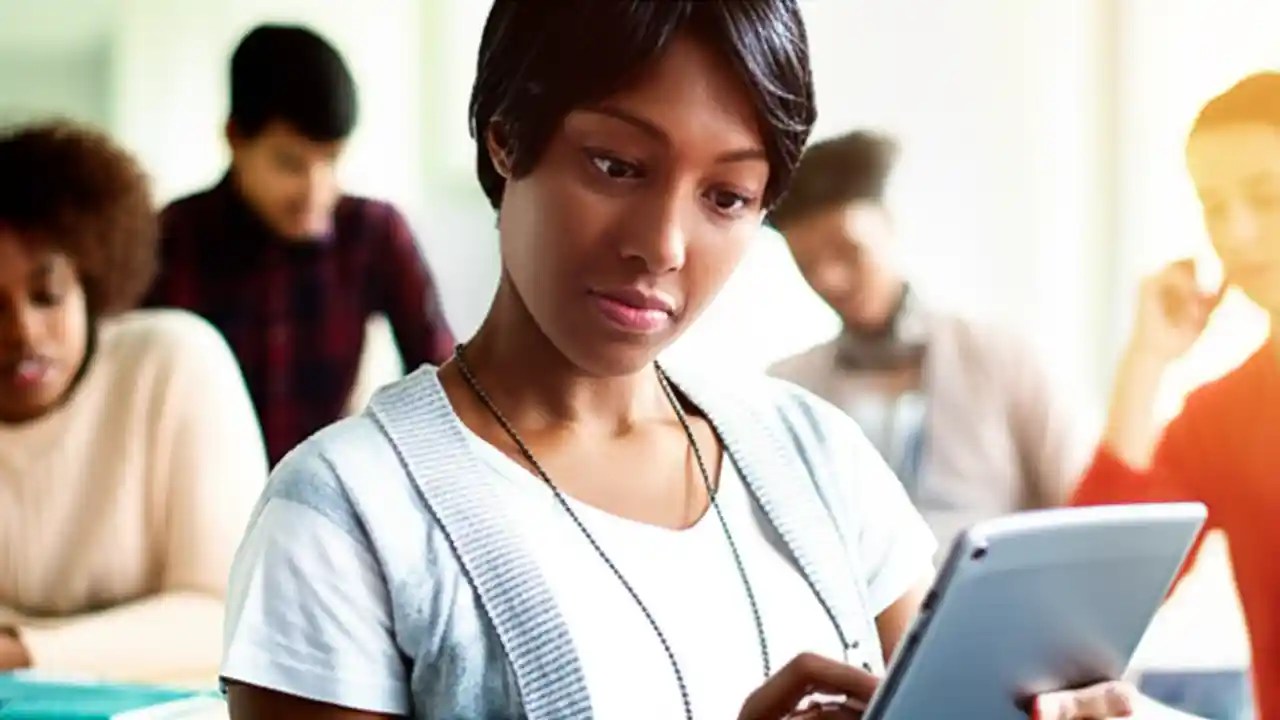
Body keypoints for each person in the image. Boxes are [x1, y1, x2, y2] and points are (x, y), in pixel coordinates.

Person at [219, 2, 1136, 718]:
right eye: (617, 165)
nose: (662, 245)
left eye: (728, 197)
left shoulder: (818, 456)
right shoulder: (347, 517)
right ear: (506, 134)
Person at [0, 122, 266, 681]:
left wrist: (22, 651)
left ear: (90, 283)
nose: (23, 331)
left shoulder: (176, 364)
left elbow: (234, 615)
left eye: (47, 295)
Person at [146, 24, 455, 465]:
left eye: (329, 160)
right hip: (200, 491)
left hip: (325, 494)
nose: (315, 190)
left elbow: (441, 378)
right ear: (235, 138)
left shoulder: (373, 234)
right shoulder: (169, 239)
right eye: (290, 163)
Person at [1072, 71, 1280, 720]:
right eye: (1213, 205)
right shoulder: (1223, 416)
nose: (1235, 232)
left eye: (1264, 197)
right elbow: (1093, 606)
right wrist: (1145, 363)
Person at [769, 131, 1089, 551]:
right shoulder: (786, 390)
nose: (830, 278)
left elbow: (1081, 510)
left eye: (847, 250)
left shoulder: (1001, 356)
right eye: (807, 263)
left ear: (890, 225)